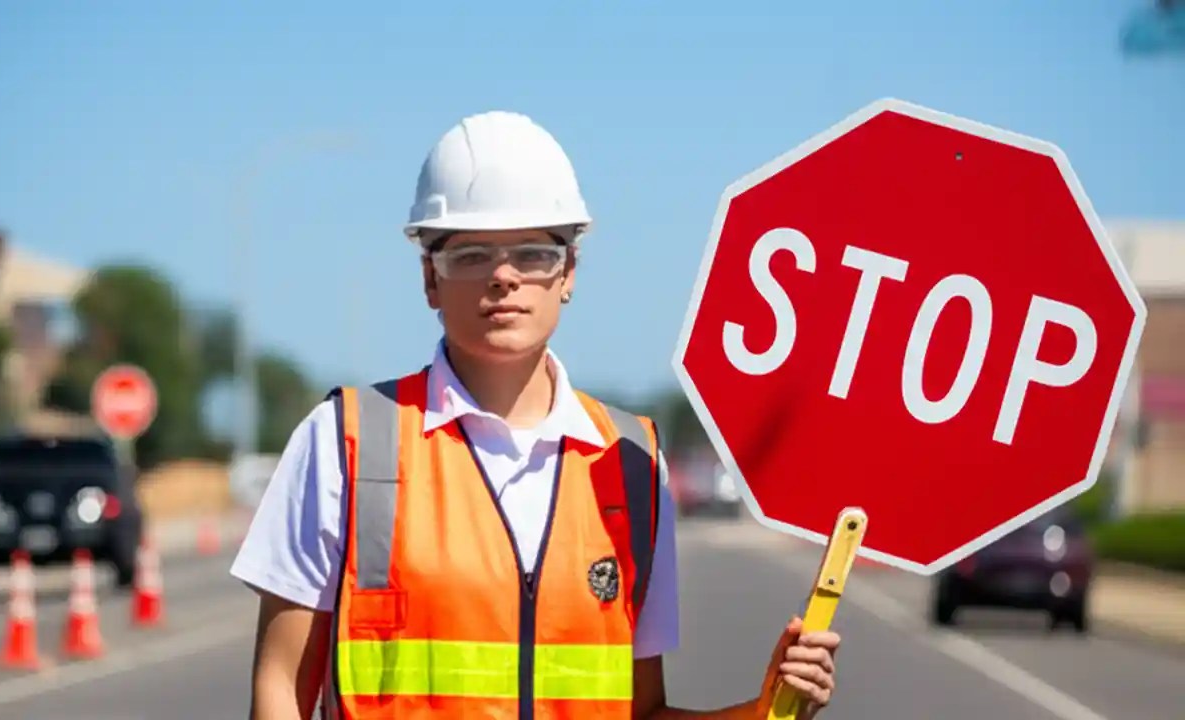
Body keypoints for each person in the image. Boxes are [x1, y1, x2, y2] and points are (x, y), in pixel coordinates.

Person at [230, 110, 843, 719]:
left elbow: (641, 713)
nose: (503, 277)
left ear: (568, 271)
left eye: (531, 253)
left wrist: (765, 711)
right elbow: (281, 688)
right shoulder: (347, 441)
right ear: (429, 279)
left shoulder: (631, 461)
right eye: (469, 254)